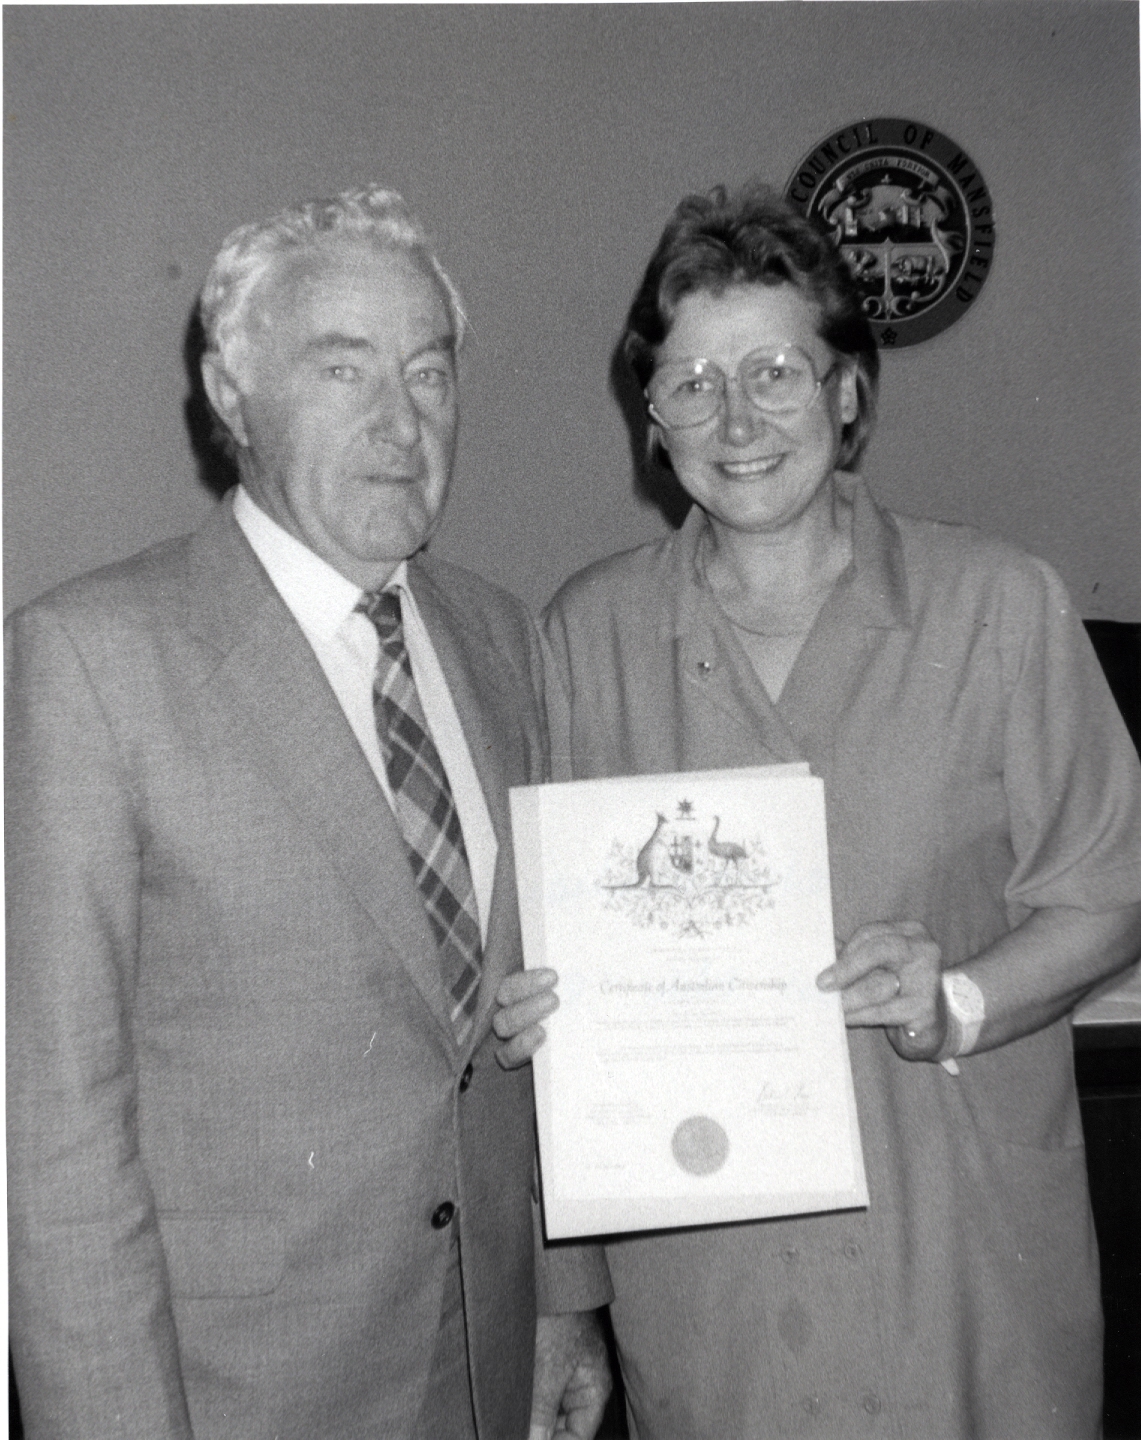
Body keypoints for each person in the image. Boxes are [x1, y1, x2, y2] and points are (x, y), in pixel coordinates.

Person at [495, 182, 1141, 1440]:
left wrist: (958, 999)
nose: (736, 419)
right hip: (708, 1288)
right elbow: (546, 965)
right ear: (651, 421)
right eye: (691, 383)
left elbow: (1113, 889)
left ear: (848, 393)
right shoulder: (585, 637)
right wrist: (564, 1300)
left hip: (957, 1263)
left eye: (776, 372)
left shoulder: (997, 606)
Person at [6, 185, 611, 1440]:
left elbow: (525, 1029)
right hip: (243, 1387)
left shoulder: (504, 639)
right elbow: (53, 1135)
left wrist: (562, 1303)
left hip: (487, 1359)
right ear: (231, 398)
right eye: (343, 369)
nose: (401, 421)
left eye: (429, 373)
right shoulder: (88, 660)